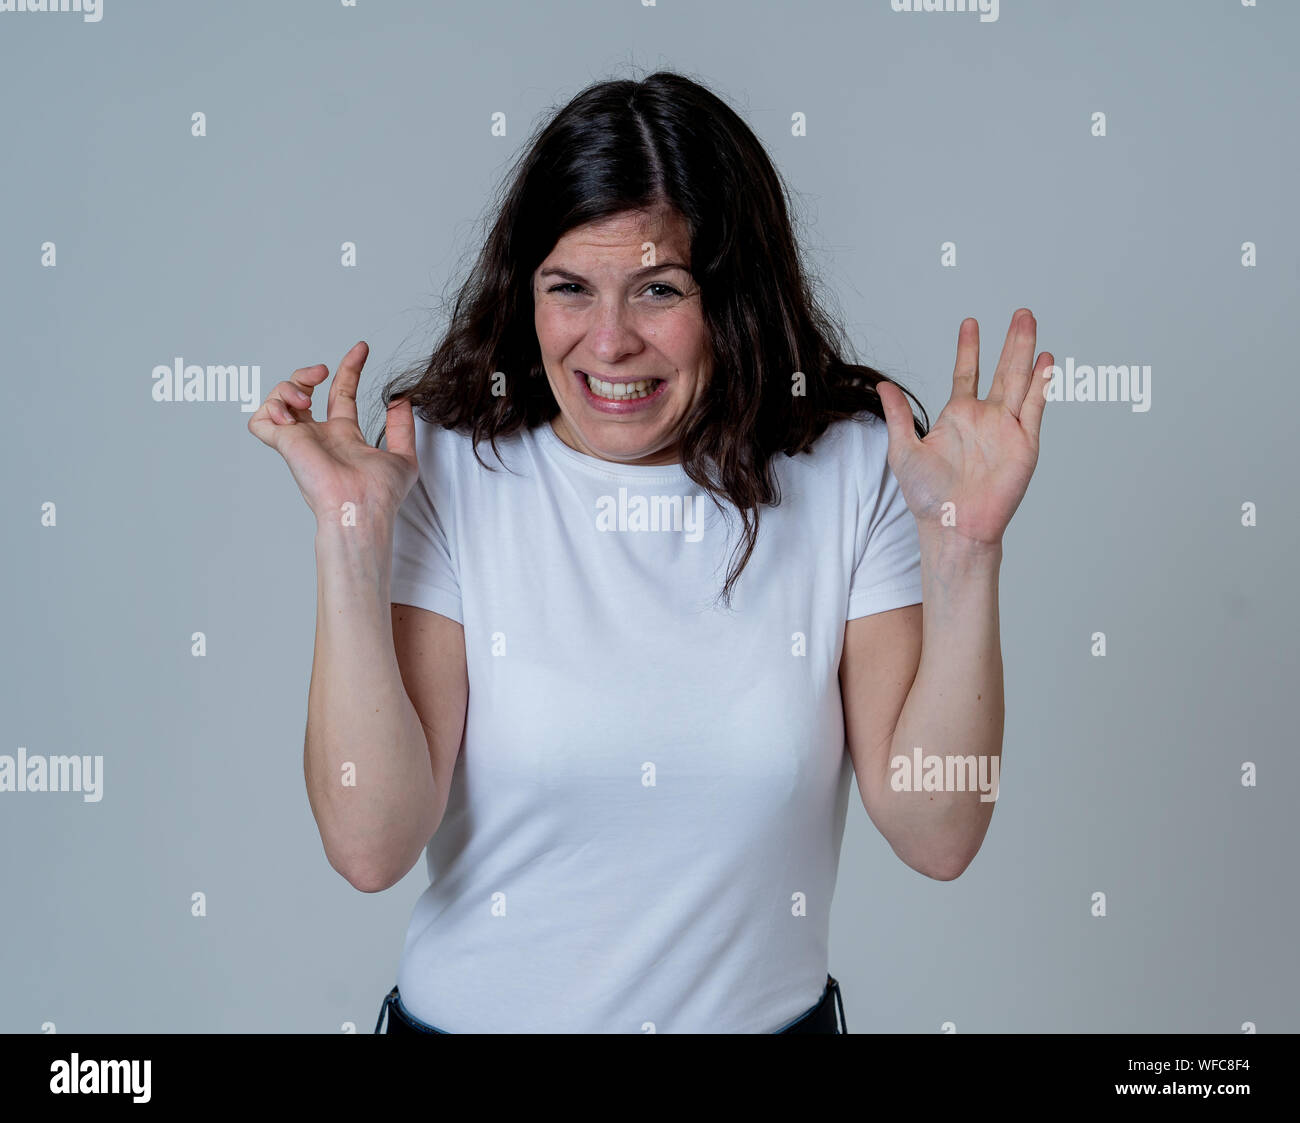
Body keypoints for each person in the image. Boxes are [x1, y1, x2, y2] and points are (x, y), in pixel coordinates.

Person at [247, 70, 1051, 1034]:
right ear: (528, 291)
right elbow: (369, 847)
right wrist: (350, 536)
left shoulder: (845, 466)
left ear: (732, 299)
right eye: (570, 288)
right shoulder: (449, 470)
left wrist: (965, 550)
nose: (610, 340)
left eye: (658, 289)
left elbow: (940, 833)